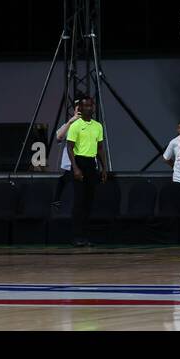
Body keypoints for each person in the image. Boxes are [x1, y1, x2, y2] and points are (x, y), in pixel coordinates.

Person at [65, 97, 108, 247]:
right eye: (85, 106)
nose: (89, 108)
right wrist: (75, 168)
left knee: (89, 202)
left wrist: (104, 168)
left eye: (90, 105)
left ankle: (85, 236)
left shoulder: (98, 126)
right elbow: (69, 147)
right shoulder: (76, 125)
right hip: (79, 162)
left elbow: (100, 148)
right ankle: (76, 237)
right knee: (79, 202)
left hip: (91, 163)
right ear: (80, 109)